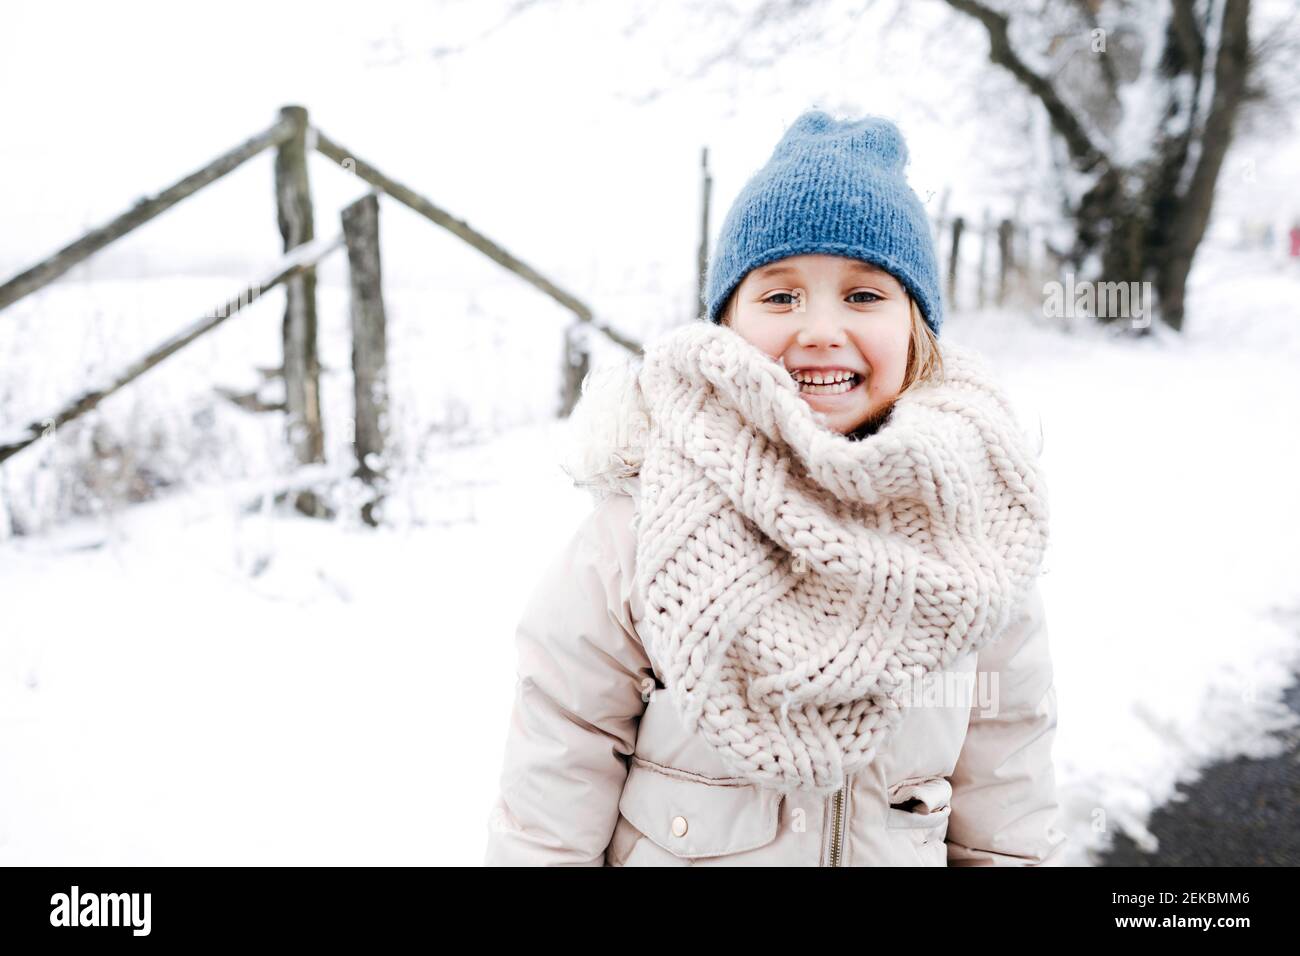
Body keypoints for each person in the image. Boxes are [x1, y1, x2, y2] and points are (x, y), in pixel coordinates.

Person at [484, 109, 1068, 866]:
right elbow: (561, 756)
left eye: (864, 296)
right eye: (781, 296)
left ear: (917, 326)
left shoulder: (971, 532)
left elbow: (1008, 776)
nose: (821, 328)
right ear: (727, 322)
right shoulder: (646, 521)